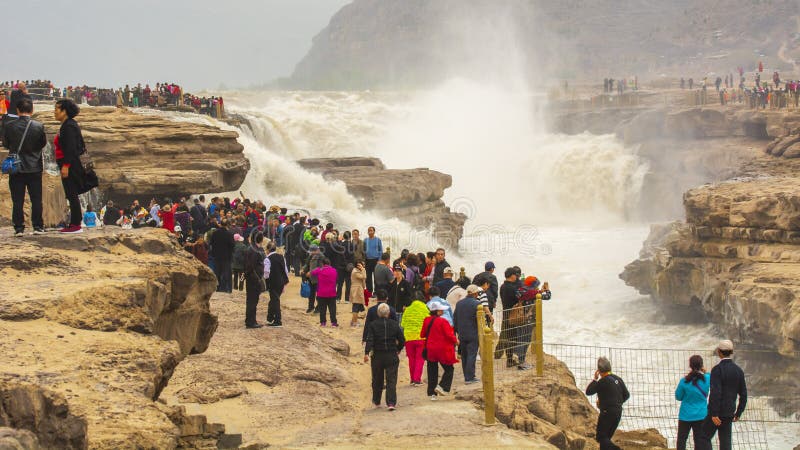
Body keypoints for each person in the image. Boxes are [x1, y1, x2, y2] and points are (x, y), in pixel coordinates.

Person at [3, 99, 46, 236]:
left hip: (16, 168)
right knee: (36, 199)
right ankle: (38, 226)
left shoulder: (9, 126)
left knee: (17, 200)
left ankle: (19, 228)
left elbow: (6, 144)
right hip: (34, 167)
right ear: (32, 110)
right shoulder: (39, 126)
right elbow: (42, 144)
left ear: (17, 110)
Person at [696, 340, 747, 450]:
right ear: (731, 352)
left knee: (703, 437)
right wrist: (738, 412)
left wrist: (714, 413)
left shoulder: (717, 370)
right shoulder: (738, 371)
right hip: (729, 412)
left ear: (719, 352)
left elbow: (716, 392)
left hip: (717, 413)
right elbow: (743, 394)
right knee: (725, 443)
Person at [53, 99, 86, 234]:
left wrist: (66, 165)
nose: (54, 112)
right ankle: (74, 223)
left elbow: (71, 148)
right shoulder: (67, 124)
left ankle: (76, 224)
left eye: (57, 109)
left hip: (69, 164)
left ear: (64, 111)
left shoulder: (69, 126)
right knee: (71, 193)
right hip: (68, 163)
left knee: (72, 193)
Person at [364, 303, 404, 411]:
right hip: (391, 354)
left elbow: (370, 339)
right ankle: (391, 402)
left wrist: (366, 353)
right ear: (389, 313)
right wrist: (399, 349)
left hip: (377, 355)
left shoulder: (373, 325)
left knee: (377, 378)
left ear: (378, 313)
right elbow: (402, 339)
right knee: (391, 379)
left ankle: (376, 401)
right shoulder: (394, 324)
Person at [586, 356, 630, 450]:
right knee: (606, 439)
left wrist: (595, 379)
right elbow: (626, 395)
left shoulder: (602, 381)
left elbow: (588, 391)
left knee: (601, 437)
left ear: (599, 370)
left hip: (607, 412)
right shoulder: (618, 379)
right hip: (618, 411)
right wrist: (616, 403)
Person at [422, 302, 459, 401]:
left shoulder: (426, 320)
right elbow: (449, 335)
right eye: (441, 309)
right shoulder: (443, 321)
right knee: (449, 369)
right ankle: (442, 386)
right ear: (437, 311)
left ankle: (432, 394)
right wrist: (456, 341)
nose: (443, 311)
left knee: (432, 371)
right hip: (442, 349)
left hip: (430, 349)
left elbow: (422, 334)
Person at [675, 355, 710, 450]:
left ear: (690, 365)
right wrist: (704, 371)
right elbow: (709, 375)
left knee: (682, 439)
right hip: (701, 414)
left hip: (685, 415)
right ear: (702, 365)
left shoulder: (684, 381)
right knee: (699, 440)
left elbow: (678, 397)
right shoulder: (707, 379)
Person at [453, 285, 482, 384]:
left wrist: (457, 331)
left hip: (462, 333)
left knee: (464, 355)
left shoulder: (459, 303)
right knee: (472, 355)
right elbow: (480, 320)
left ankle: (467, 376)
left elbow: (455, 318)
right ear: (475, 293)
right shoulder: (477, 304)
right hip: (473, 333)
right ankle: (470, 377)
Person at [400, 298, 428, 386]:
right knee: (420, 359)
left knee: (411, 359)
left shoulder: (407, 309)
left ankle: (412, 379)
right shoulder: (425, 308)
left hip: (408, 338)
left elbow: (402, 324)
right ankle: (417, 380)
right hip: (421, 337)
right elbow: (428, 322)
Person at [263, 241, 289, 327]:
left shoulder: (267, 259)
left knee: (275, 300)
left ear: (267, 250)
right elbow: (285, 270)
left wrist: (265, 280)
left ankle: (278, 321)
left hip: (273, 282)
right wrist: (285, 281)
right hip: (281, 281)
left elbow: (266, 272)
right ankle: (270, 317)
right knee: (274, 300)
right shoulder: (281, 257)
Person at [243, 232, 266, 328]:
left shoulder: (252, 248)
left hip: (252, 277)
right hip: (254, 279)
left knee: (252, 300)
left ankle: (251, 320)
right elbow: (251, 266)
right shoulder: (254, 250)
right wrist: (257, 278)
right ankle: (251, 321)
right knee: (252, 300)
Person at [311, 257, 338, 327]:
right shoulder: (334, 270)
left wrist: (319, 268)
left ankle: (323, 323)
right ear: (329, 263)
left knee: (322, 309)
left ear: (322, 264)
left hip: (321, 293)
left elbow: (312, 272)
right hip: (332, 293)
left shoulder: (319, 270)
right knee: (332, 309)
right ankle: (334, 323)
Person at [210, 219, 235, 293]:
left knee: (217, 272)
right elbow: (232, 245)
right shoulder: (229, 234)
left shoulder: (215, 233)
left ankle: (218, 287)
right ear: (227, 225)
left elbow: (211, 243)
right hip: (226, 256)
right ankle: (226, 288)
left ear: (220, 224)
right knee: (226, 272)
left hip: (217, 256)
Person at [364, 226, 383, 292]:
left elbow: (381, 250)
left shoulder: (378, 240)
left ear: (374, 231)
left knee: (376, 277)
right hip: (367, 260)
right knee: (368, 277)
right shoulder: (365, 240)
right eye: (368, 230)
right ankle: (369, 291)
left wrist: (379, 260)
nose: (370, 232)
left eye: (371, 230)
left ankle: (376, 292)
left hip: (376, 260)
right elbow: (363, 250)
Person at [349, 260, 367, 327]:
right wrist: (363, 270)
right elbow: (364, 276)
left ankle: (354, 321)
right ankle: (354, 322)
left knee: (358, 305)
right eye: (362, 265)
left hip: (358, 289)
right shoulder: (355, 271)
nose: (363, 266)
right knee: (356, 306)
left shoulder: (357, 271)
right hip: (356, 290)